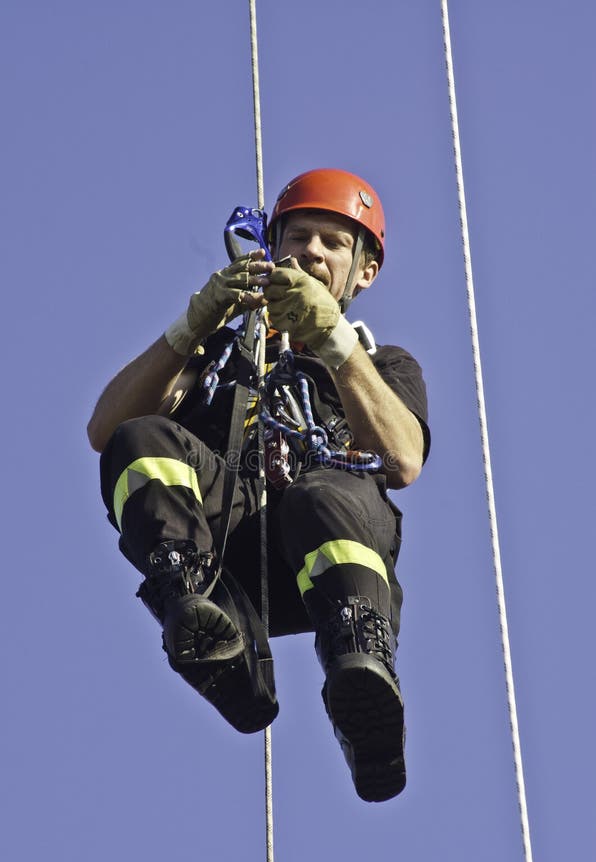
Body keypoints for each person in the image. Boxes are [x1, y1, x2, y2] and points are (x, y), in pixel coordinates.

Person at [87, 168, 430, 802]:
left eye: (332, 242)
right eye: (298, 237)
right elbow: (106, 429)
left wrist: (332, 343)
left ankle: (359, 668)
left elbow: (402, 460)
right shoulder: (215, 357)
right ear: (273, 248)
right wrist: (189, 330)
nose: (312, 253)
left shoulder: (381, 365)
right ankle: (207, 627)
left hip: (324, 551)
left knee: (320, 494)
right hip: (223, 552)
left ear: (364, 270)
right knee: (141, 442)